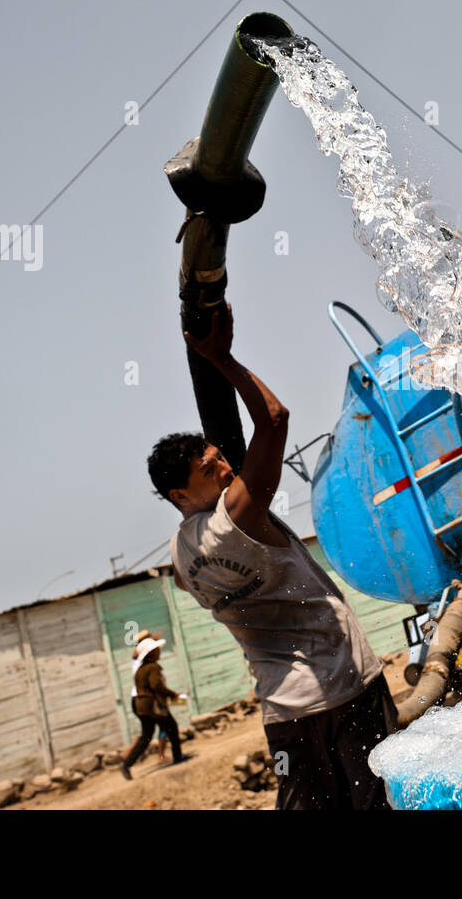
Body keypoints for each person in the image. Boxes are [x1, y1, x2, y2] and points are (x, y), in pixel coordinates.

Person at [147, 301, 396, 809]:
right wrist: (223, 359)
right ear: (179, 493)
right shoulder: (236, 516)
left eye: (221, 458)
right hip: (347, 690)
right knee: (377, 803)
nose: (225, 469)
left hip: (287, 713)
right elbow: (275, 418)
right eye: (211, 467)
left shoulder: (179, 556)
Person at [121, 637, 187, 780]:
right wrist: (173, 694)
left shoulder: (141, 669)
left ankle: (126, 764)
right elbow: (156, 686)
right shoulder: (153, 668)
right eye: (156, 650)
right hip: (153, 706)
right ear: (151, 654)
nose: (159, 651)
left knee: (146, 735)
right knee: (172, 727)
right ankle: (178, 757)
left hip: (142, 706)